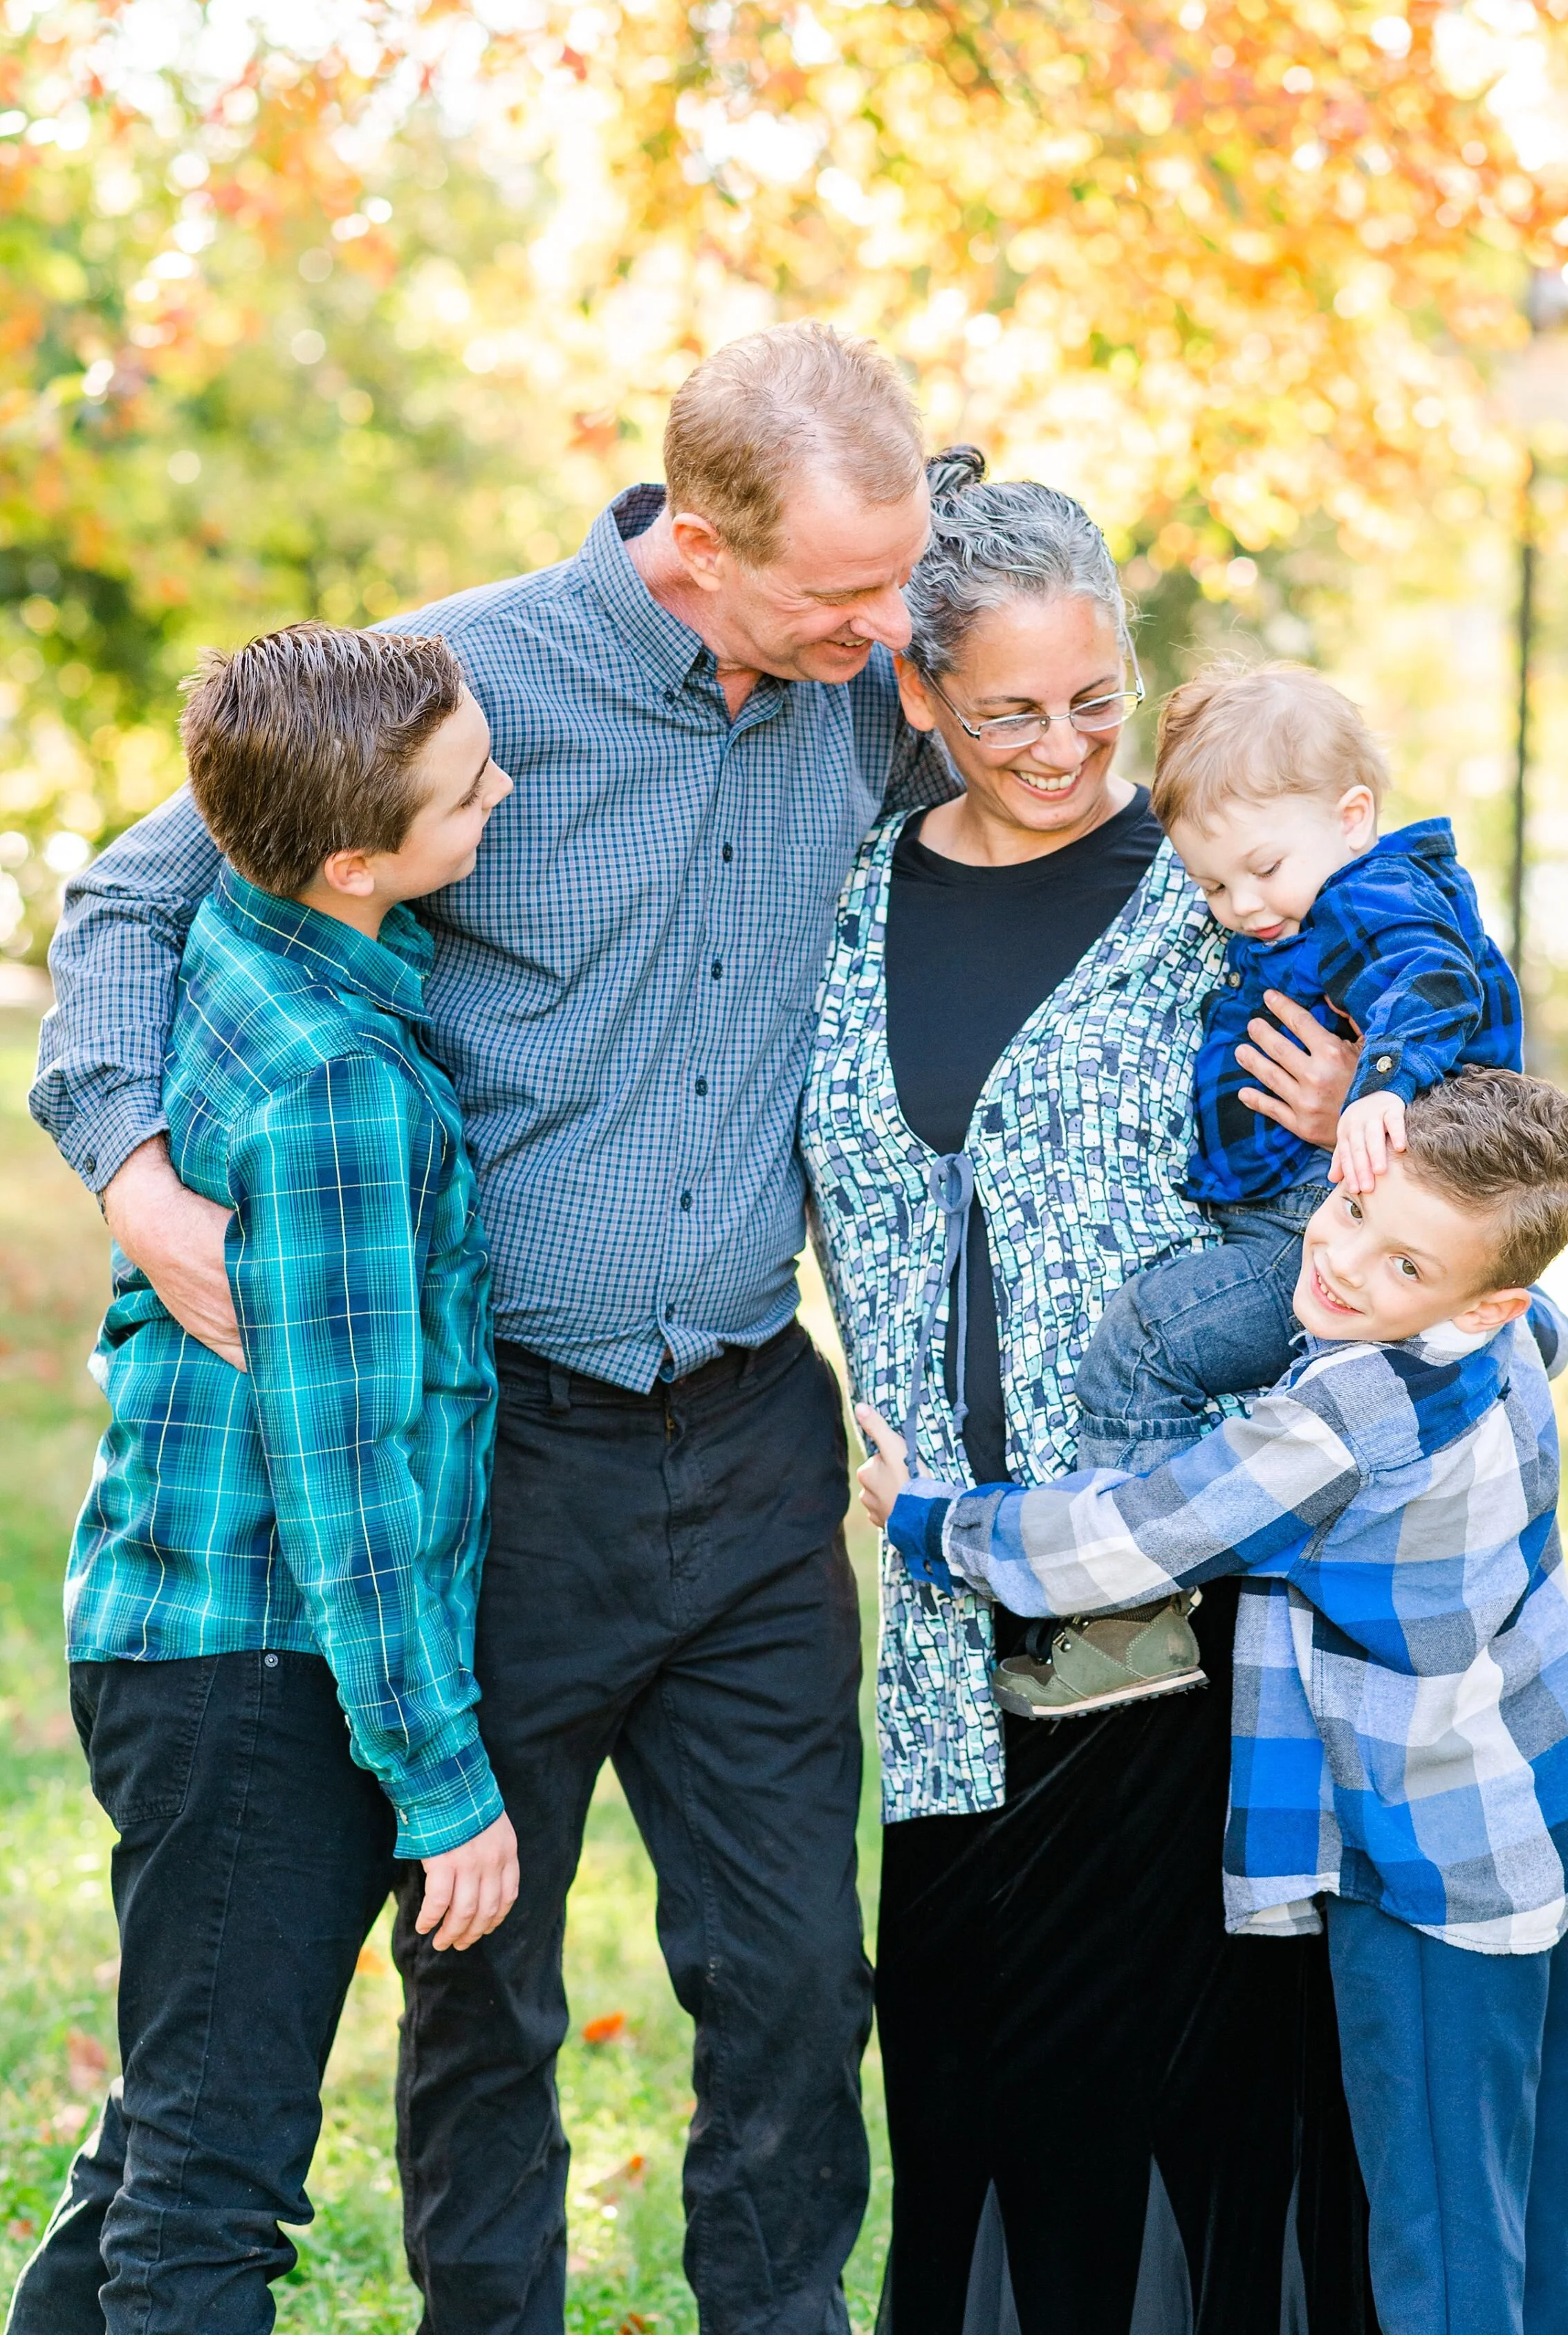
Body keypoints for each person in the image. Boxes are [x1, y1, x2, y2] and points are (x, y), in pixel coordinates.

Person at [30, 323, 951, 2335]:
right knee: (483, 1978)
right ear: (696, 545)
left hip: (752, 1441)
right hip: (499, 1454)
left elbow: (1093, 803)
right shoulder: (451, 696)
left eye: (903, 580)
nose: (898, 631)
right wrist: (131, 1170)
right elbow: (127, 897)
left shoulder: (868, 690)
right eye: (848, 592)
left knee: (798, 1974)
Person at [800, 448, 1376, 2334]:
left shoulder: (1231, 895)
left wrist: (1353, 1122)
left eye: (1092, 701)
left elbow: (1427, 1187)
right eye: (1006, 713)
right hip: (950, 1633)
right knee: (971, 2084)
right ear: (917, 695)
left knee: (1204, 2103)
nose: (1060, 749)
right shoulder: (846, 901)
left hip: (1198, 1616)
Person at [860, 1067, 1568, 2335]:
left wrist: (929, 1519)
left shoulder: (1348, 1419)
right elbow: (1549, 1319)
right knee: (1510, 2197)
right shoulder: (1517, 1342)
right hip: (1528, 1848)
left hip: (1423, 1880)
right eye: (1355, 1204)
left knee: (1434, 2240)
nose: (1348, 1258)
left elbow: (1135, 1537)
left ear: (1484, 1301)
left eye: (1408, 1265)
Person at [12, 625, 518, 2334]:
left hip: (177, 1625)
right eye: (467, 794)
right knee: (213, 2192)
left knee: (166, 2126)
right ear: (357, 858)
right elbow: (351, 1486)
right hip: (258, 1668)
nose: (502, 795)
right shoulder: (340, 1089)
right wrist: (441, 1775)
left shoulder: (246, 937)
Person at [997, 659, 1523, 1719]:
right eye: (1212, 886)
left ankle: (1127, 1614)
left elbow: (1433, 978)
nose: (1242, 906)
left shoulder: (1373, 896)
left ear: (1353, 815)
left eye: (1261, 868)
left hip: (1323, 1229)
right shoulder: (1315, 895)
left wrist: (1379, 1091)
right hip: (1307, 1214)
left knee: (1147, 1335)